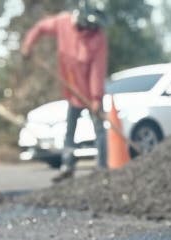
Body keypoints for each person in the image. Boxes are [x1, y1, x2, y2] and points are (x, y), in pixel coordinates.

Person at [21, 0, 108, 183]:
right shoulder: (63, 22)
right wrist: (29, 45)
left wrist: (95, 98)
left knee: (99, 130)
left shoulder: (98, 37)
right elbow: (40, 28)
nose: (90, 30)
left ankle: (102, 168)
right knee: (70, 130)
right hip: (72, 90)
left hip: (91, 94)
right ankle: (67, 166)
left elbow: (97, 70)